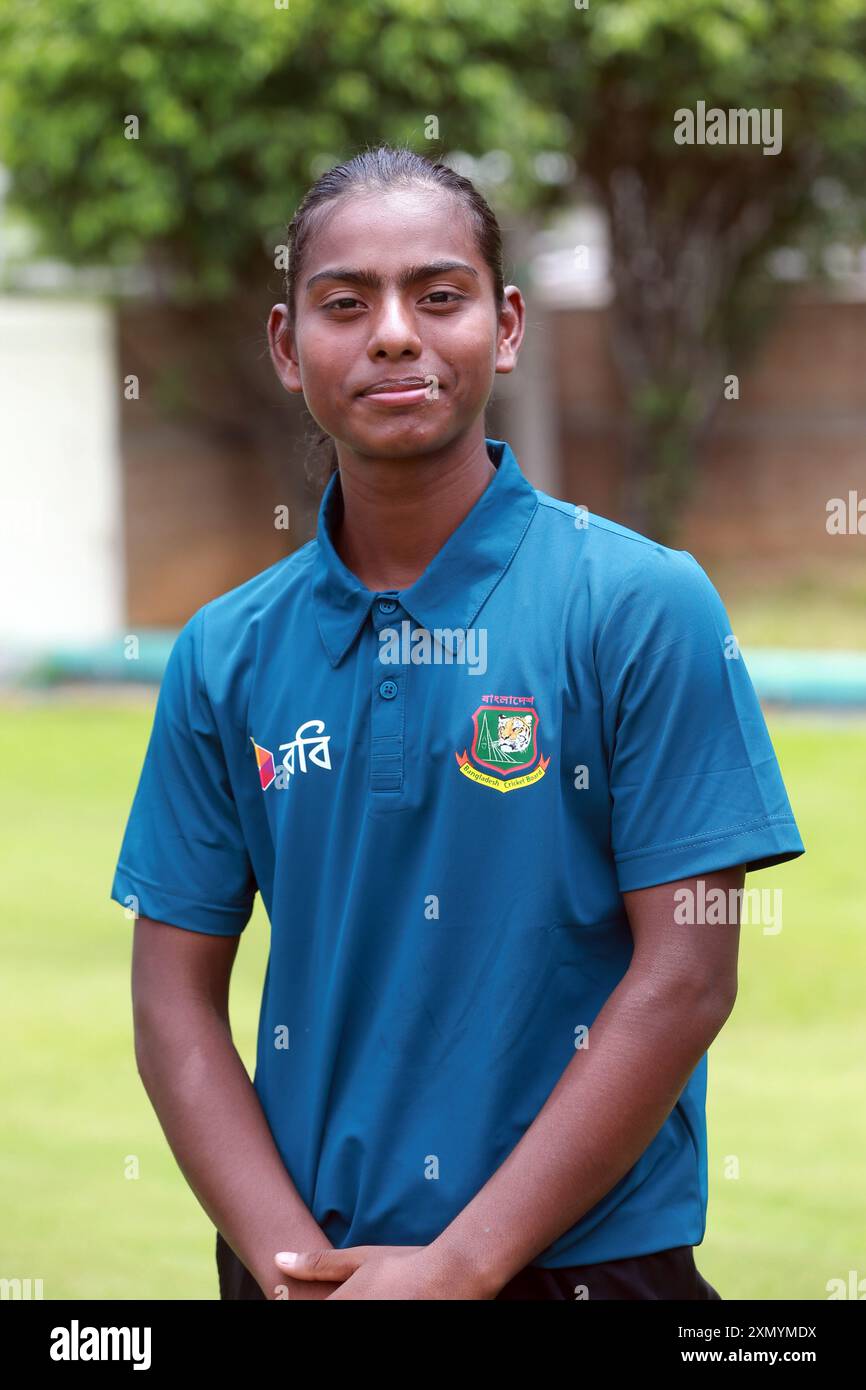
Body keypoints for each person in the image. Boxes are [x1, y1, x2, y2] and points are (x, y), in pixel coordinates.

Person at [110, 144, 805, 1301]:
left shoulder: (637, 604)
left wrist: (456, 1271)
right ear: (287, 347)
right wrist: (287, 1268)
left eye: (438, 296)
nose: (392, 333)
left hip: (580, 1268)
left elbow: (685, 976)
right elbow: (171, 993)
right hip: (309, 1276)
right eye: (344, 303)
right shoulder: (225, 652)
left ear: (508, 324)